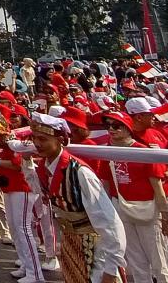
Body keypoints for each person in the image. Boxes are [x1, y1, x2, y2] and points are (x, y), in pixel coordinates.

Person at [29, 113, 126, 283]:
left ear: (60, 139)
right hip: (69, 240)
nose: (37, 144)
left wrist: (110, 270)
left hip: (93, 246)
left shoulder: (80, 172)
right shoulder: (45, 168)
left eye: (43, 139)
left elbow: (111, 223)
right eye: (34, 138)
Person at [98, 111, 168, 283]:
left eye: (116, 126)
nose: (111, 129)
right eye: (108, 126)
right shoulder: (106, 152)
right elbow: (105, 185)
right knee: (136, 262)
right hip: (122, 210)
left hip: (148, 211)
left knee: (160, 263)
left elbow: (158, 188)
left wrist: (165, 217)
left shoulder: (144, 152)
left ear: (127, 128)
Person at [0, 105, 44, 283]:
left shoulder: (21, 137)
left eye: (16, 117)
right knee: (15, 229)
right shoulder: (4, 137)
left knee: (23, 228)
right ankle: (25, 264)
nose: (13, 120)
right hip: (9, 187)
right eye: (11, 117)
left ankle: (35, 273)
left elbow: (16, 164)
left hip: (22, 187)